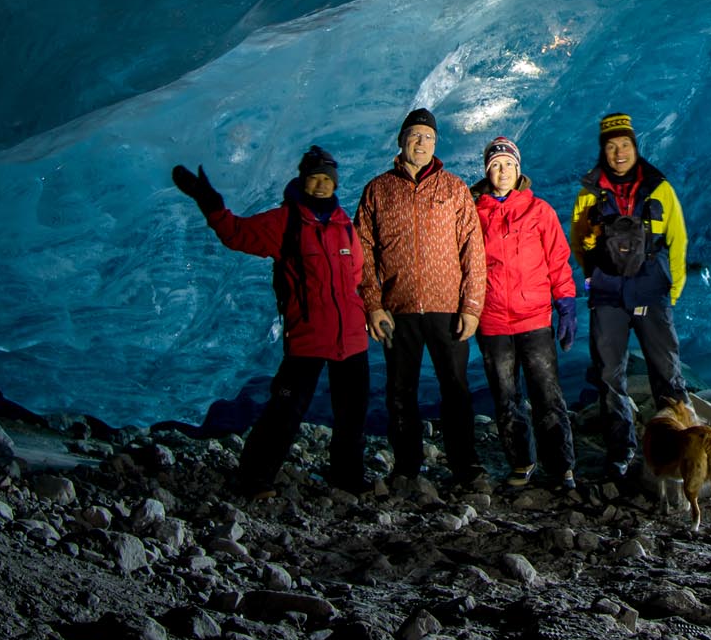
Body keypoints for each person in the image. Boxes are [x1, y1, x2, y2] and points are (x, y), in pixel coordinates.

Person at [171, 146, 371, 497]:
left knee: (352, 415)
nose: (322, 185)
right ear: (303, 180)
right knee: (284, 410)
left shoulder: (345, 227)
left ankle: (348, 479)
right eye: (315, 179)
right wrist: (209, 201)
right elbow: (236, 234)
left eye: (328, 179)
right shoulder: (287, 221)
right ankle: (255, 479)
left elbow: (356, 273)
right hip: (308, 337)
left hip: (351, 338)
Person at [355, 107, 487, 487]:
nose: (421, 143)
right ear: (401, 140)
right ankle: (406, 466)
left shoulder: (454, 189)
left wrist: (472, 307)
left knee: (456, 388)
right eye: (414, 136)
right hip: (399, 309)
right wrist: (374, 304)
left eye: (428, 137)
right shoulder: (378, 190)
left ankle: (465, 464)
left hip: (447, 309)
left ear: (436, 144)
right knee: (400, 391)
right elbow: (362, 249)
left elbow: (473, 251)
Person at [570, 112, 690, 480]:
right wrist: (592, 277)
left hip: (651, 291)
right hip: (607, 295)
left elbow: (678, 239)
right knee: (609, 376)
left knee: (666, 373)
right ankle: (621, 451)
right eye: (611, 146)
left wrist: (674, 289)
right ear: (603, 151)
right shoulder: (589, 193)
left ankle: (680, 448)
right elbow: (578, 241)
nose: (618, 153)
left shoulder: (659, 188)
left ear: (635, 147)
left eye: (624, 145)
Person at [471, 135, 578, 490]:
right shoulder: (474, 213)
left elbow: (558, 260)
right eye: (495, 166)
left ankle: (561, 466)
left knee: (547, 393)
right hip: (493, 320)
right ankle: (521, 462)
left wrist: (565, 304)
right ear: (487, 171)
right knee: (506, 396)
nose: (502, 172)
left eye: (508, 165)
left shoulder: (539, 211)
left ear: (519, 169)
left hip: (534, 319)